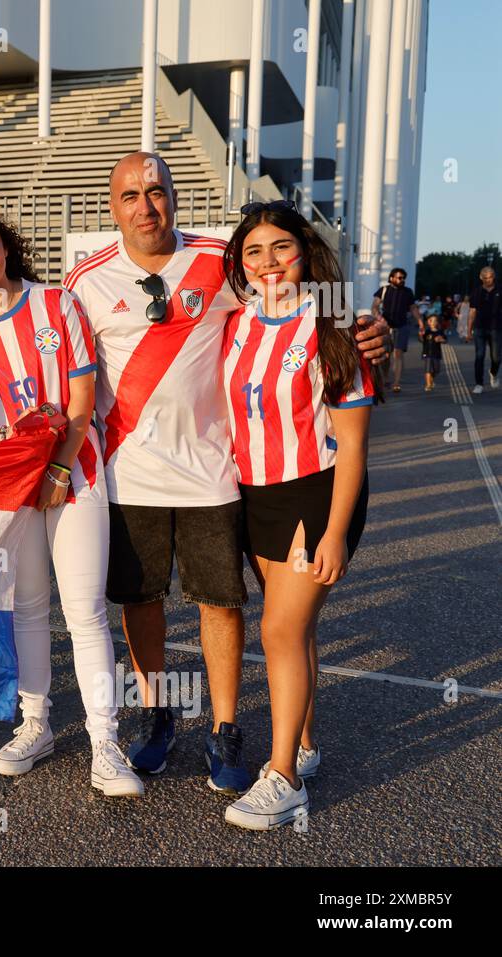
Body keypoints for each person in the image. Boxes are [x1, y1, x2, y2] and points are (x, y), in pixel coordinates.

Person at [62, 155, 389, 797]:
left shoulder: (224, 263)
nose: (145, 205)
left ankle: (226, 730)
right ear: (113, 207)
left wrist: (368, 327)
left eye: (156, 191)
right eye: (130, 195)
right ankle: (159, 718)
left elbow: (307, 302)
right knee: (141, 602)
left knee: (223, 603)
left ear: (175, 196)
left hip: (215, 474)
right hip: (130, 475)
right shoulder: (84, 282)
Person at [0, 208, 144, 797]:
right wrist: (12, 441)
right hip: (10, 488)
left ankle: (105, 743)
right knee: (26, 609)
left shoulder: (57, 305)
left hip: (75, 475)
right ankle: (37, 724)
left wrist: (54, 463)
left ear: (8, 246)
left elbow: (80, 402)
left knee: (84, 611)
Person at [219, 203, 376, 829]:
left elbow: (356, 445)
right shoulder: (235, 325)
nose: (268, 263)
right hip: (255, 494)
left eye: (281, 248)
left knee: (279, 632)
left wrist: (336, 531)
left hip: (317, 492)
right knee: (296, 629)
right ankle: (305, 746)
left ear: (304, 251)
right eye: (254, 252)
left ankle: (283, 778)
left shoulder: (334, 323)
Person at [372, 267, 418, 393]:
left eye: (403, 278)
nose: (402, 280)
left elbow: (413, 308)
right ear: (391, 278)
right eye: (399, 278)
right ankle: (385, 379)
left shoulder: (408, 292)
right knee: (385, 355)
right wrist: (379, 318)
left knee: (398, 354)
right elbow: (375, 306)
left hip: (402, 326)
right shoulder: (383, 290)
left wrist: (420, 322)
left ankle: (396, 382)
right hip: (386, 328)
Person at [467, 266, 500, 395]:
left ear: (494, 276)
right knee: (479, 356)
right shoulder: (476, 292)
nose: (488, 280)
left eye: (490, 277)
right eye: (485, 277)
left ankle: (493, 372)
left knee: (496, 357)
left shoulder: (500, 289)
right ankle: (479, 384)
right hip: (479, 327)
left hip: (496, 328)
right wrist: (469, 331)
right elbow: (472, 311)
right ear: (481, 277)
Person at [421, 313, 446, 392]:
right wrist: (420, 335)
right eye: (431, 320)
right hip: (427, 353)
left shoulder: (440, 332)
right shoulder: (427, 332)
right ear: (428, 322)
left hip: (436, 354)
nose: (433, 322)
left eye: (435, 321)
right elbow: (421, 339)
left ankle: (431, 379)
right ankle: (428, 385)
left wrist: (441, 339)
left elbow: (445, 340)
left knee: (436, 370)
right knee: (428, 369)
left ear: (437, 322)